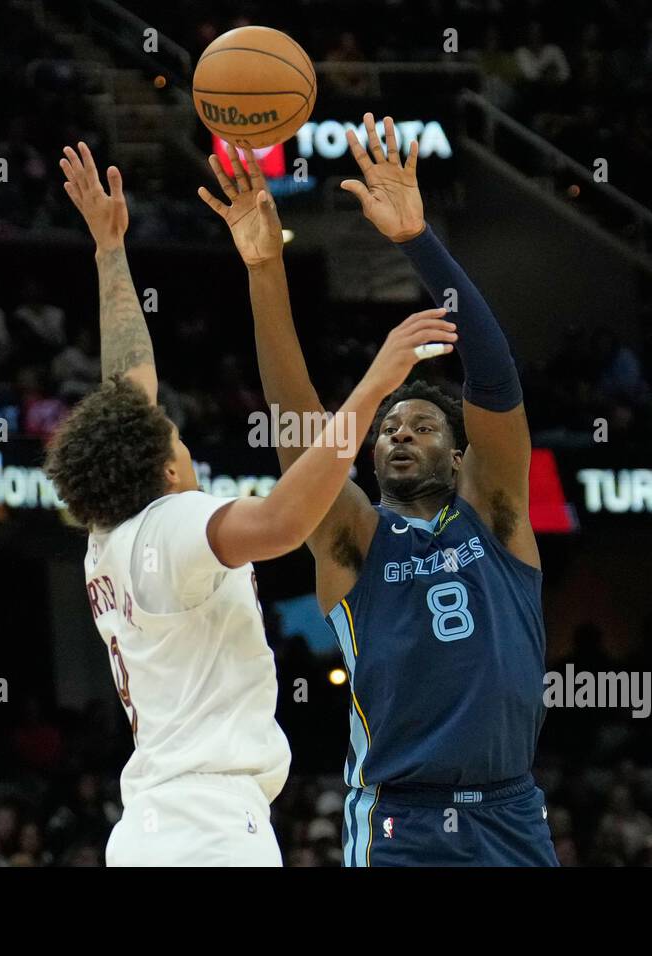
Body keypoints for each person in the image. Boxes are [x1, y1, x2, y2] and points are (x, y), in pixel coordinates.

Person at [50, 142, 456, 867]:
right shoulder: (170, 529)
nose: (183, 444)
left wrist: (110, 249)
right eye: (172, 438)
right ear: (158, 469)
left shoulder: (108, 531)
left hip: (153, 826)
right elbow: (281, 521)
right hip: (208, 831)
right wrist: (373, 386)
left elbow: (126, 384)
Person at [200, 116, 555, 866]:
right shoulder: (354, 541)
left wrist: (417, 240)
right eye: (388, 427)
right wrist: (266, 270)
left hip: (511, 811)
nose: (397, 433)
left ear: (459, 457)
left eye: (422, 425)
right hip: (402, 820)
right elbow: (297, 423)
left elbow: (494, 375)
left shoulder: (496, 518)